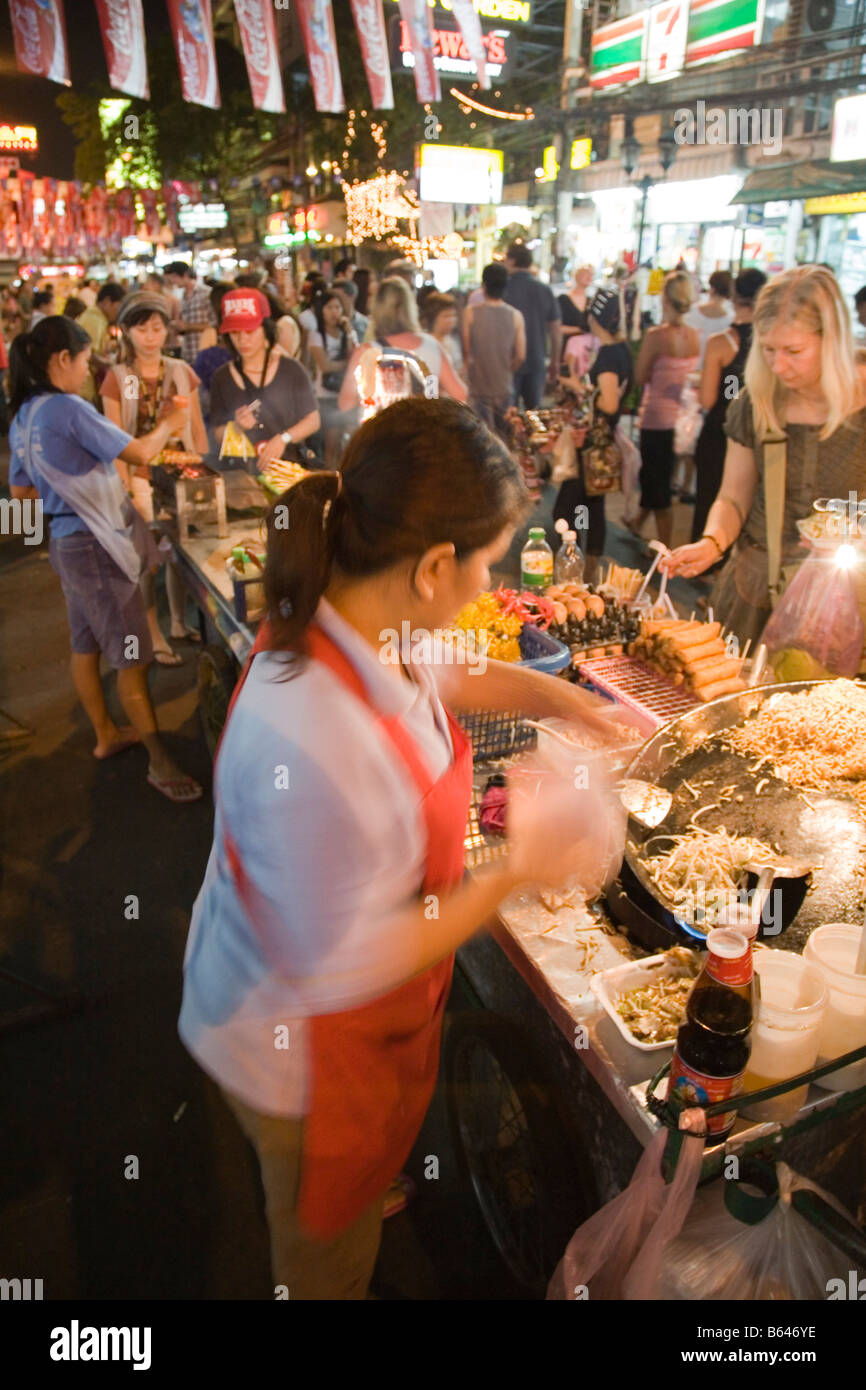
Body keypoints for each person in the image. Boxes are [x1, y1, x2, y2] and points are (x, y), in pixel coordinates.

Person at [178, 395, 623, 1300]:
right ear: (431, 567)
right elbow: (350, 958)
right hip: (297, 1046)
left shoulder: (361, 611)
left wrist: (561, 700)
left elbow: (445, 665)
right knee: (323, 1263)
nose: (486, 583)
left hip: (367, 1020)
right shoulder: (309, 735)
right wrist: (521, 865)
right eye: (486, 564)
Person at [7, 317, 202, 801]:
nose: (88, 372)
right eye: (84, 361)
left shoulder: (23, 416)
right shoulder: (68, 409)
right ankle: (160, 762)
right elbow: (138, 452)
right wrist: (172, 425)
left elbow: (19, 494)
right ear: (61, 361)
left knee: (87, 644)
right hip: (96, 546)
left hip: (66, 545)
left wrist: (58, 508)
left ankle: (106, 735)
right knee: (133, 657)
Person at [664, 265, 866, 643]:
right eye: (768, 349)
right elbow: (732, 496)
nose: (778, 365)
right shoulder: (756, 403)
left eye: (794, 351)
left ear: (833, 339)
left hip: (843, 598)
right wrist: (712, 543)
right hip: (753, 589)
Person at [102, 292, 208, 664]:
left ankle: (179, 621)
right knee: (148, 557)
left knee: (182, 550)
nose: (151, 336)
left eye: (158, 328)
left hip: (179, 470)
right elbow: (115, 439)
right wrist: (124, 487)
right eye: (142, 329)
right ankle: (153, 633)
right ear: (126, 333)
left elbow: (196, 426)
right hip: (140, 474)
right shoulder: (118, 378)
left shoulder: (181, 371)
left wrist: (202, 471)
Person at [553, 287, 634, 584]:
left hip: (592, 444)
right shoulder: (622, 350)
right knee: (593, 509)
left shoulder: (610, 355)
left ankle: (571, 573)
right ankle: (586, 574)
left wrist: (580, 387)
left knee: (566, 509)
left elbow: (608, 402)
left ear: (595, 317)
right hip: (605, 441)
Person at [690, 268, 767, 546]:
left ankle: (706, 562)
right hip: (757, 433)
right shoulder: (769, 344)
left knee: (712, 498)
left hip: (719, 433)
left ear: (733, 297)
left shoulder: (721, 343)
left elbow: (707, 400)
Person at [209, 287, 320, 469]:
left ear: (265, 329)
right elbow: (217, 433)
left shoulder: (291, 370)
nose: (243, 340)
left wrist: (283, 439)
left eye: (250, 331)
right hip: (243, 474)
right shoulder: (221, 378)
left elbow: (313, 420)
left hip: (289, 471)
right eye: (235, 333)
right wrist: (236, 427)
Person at [630, 272, 700, 548]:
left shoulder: (657, 336)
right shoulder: (694, 336)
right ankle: (637, 522)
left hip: (656, 418)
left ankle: (664, 547)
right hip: (683, 420)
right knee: (657, 475)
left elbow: (639, 376)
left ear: (665, 300)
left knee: (656, 482)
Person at [338, 277, 468, 413]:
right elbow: (460, 394)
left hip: (380, 431)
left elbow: (345, 404)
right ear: (410, 308)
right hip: (422, 430)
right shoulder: (432, 346)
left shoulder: (366, 352)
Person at [462, 262, 526, 437]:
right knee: (504, 437)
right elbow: (520, 355)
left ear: (484, 285)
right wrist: (507, 368)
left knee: (481, 438)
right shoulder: (515, 316)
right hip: (503, 384)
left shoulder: (470, 313)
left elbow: (466, 351)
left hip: (478, 383)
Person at [503, 242, 562, 408]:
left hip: (508, 360)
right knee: (533, 412)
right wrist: (555, 360)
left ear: (511, 261)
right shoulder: (544, 290)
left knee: (508, 416)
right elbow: (556, 329)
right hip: (537, 357)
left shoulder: (503, 289)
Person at [307, 289, 359, 466]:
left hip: (346, 393)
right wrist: (347, 363)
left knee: (349, 446)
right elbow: (325, 365)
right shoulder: (316, 335)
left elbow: (358, 354)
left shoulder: (346, 333)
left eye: (337, 307)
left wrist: (349, 331)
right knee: (331, 444)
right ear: (322, 310)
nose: (334, 312)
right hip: (326, 395)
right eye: (329, 307)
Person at [164, 261, 216, 366]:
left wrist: (188, 326)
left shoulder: (206, 293)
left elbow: (215, 324)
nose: (173, 281)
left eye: (174, 277)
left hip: (204, 352)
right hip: (188, 353)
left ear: (185, 275)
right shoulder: (182, 296)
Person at [79, 282, 124, 401]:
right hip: (84, 386)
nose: (117, 313)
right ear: (107, 302)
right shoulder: (94, 319)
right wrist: (111, 365)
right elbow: (89, 354)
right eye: (116, 308)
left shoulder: (95, 317)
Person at [685, 270, 734, 365]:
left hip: (691, 367)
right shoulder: (731, 319)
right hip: (716, 370)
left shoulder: (692, 311)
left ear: (712, 288)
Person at [420, 291, 464, 374]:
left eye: (454, 315)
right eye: (446, 316)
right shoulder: (424, 344)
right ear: (433, 317)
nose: (452, 320)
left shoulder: (453, 342)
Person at [558, 263, 594, 342]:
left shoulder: (591, 301)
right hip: (568, 347)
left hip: (586, 348)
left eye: (591, 274)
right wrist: (580, 329)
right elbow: (557, 327)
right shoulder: (563, 300)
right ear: (577, 275)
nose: (589, 277)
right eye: (585, 273)